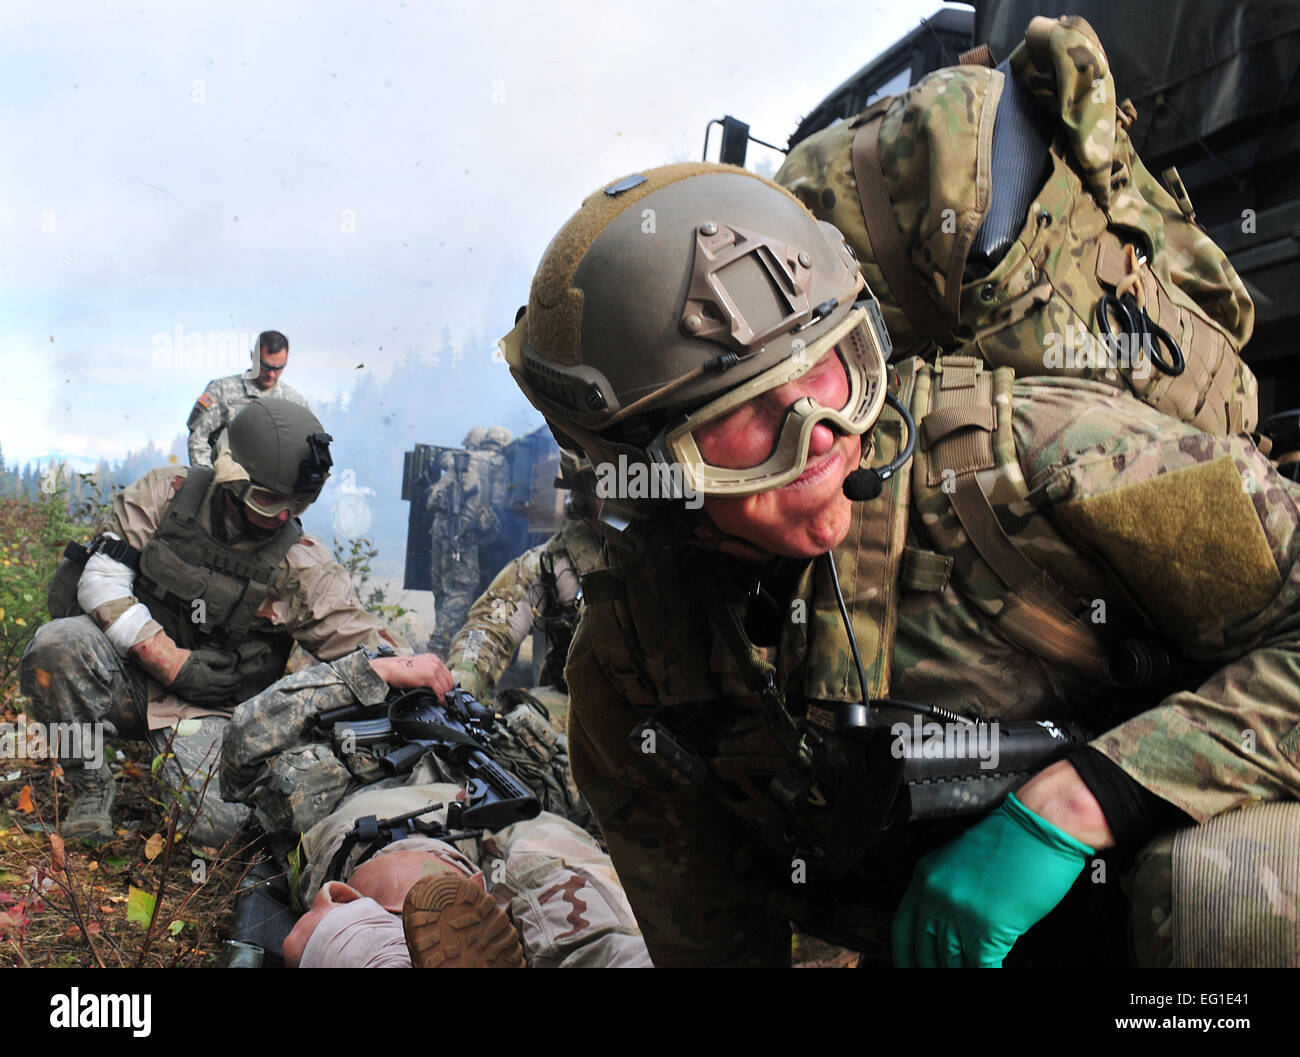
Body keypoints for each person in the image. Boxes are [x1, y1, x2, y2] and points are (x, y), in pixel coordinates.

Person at [499, 162, 1300, 967]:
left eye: (827, 370)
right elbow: (716, 947)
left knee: (1223, 894)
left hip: (1185, 901)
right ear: (650, 474)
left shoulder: (1040, 457)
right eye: (740, 414)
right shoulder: (632, 672)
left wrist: (1092, 794)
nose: (818, 432)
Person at [20, 399, 452, 846]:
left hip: (210, 711)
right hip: (126, 675)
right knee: (57, 646)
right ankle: (89, 792)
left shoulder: (301, 565)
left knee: (221, 832)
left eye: (298, 502)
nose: (284, 515)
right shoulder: (165, 496)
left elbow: (357, 640)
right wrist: (168, 659)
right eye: (267, 500)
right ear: (231, 478)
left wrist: (408, 669)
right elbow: (101, 581)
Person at [221, 651, 651, 968]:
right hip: (394, 826)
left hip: (512, 817)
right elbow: (244, 740)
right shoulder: (327, 725)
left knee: (585, 901)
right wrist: (376, 670)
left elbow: (594, 793)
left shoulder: (476, 726)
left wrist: (515, 734)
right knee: (418, 895)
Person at [426, 426, 514, 655]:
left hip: (439, 527)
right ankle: (441, 643)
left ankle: (443, 635)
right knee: (462, 588)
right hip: (465, 531)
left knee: (443, 586)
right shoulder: (498, 462)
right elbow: (498, 502)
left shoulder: (461, 459)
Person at [187, 330, 311, 468]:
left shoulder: (296, 403)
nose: (271, 374)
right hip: (226, 481)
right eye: (265, 367)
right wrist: (209, 476)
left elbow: (303, 450)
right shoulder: (222, 390)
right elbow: (198, 438)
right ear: (253, 357)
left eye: (278, 368)